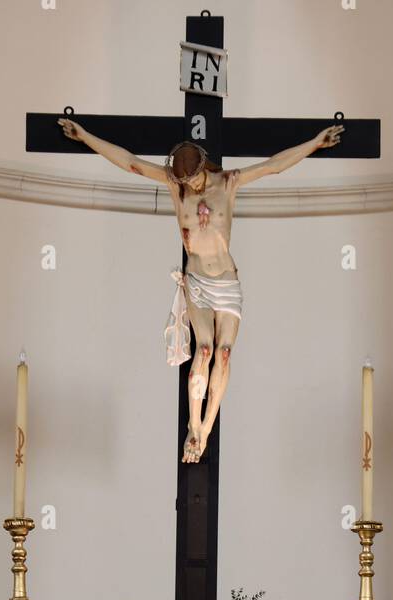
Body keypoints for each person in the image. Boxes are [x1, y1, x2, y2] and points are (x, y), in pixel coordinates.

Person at [58, 116, 343, 463]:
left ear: (202, 169)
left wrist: (315, 142)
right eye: (182, 180)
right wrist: (86, 136)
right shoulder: (174, 185)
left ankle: (206, 427)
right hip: (197, 281)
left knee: (224, 353)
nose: (187, 186)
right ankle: (192, 424)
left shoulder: (228, 183)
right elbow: (130, 162)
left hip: (226, 281)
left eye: (191, 179)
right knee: (204, 351)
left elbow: (273, 166)